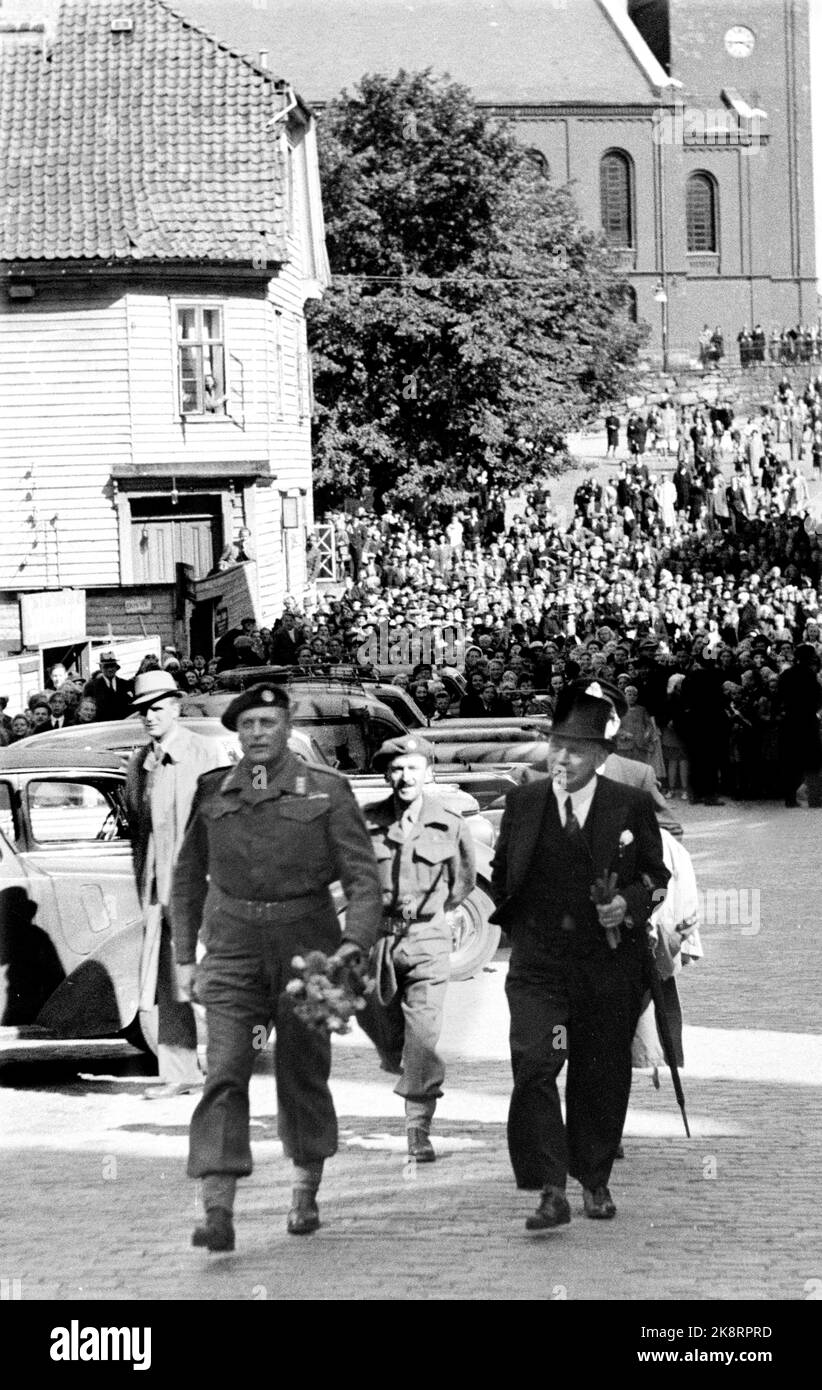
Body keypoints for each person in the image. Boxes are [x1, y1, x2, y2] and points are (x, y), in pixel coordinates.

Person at [168, 684, 382, 1250]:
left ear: (287, 729)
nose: (258, 733)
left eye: (268, 722)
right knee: (226, 1069)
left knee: (302, 1072)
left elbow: (363, 880)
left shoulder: (328, 792)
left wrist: (352, 945)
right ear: (236, 734)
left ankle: (305, 1191)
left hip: (308, 950)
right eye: (248, 725)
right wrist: (184, 958)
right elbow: (188, 878)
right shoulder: (214, 791)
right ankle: (218, 1209)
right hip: (233, 947)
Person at [490, 682, 669, 1230]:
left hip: (605, 966)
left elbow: (656, 878)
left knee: (599, 1071)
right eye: (557, 745)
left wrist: (628, 905)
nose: (563, 758)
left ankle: (594, 1178)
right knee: (535, 1066)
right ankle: (549, 1188)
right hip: (540, 966)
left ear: (603, 756)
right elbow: (502, 875)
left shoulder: (630, 805)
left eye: (578, 749)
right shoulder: (523, 803)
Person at [357, 735, 476, 1160]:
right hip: (380, 941)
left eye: (413, 768)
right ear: (386, 774)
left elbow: (463, 883)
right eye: (396, 768)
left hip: (427, 940)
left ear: (429, 772)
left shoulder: (450, 822)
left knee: (423, 1035)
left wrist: (432, 916)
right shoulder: (367, 821)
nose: (404, 777)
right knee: (375, 1019)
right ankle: (398, 1060)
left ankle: (417, 1126)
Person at [125, 670, 224, 1100]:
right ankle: (181, 1072)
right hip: (159, 889)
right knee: (171, 981)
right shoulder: (139, 762)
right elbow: (138, 829)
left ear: (177, 707)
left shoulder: (206, 753)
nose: (149, 716)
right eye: (142, 710)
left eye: (158, 707)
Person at [84, 652, 133, 721]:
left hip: (123, 725)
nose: (110, 669)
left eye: (112, 666)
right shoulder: (91, 687)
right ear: (101, 668)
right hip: (102, 726)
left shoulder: (126, 684)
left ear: (116, 667)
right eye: (106, 666)